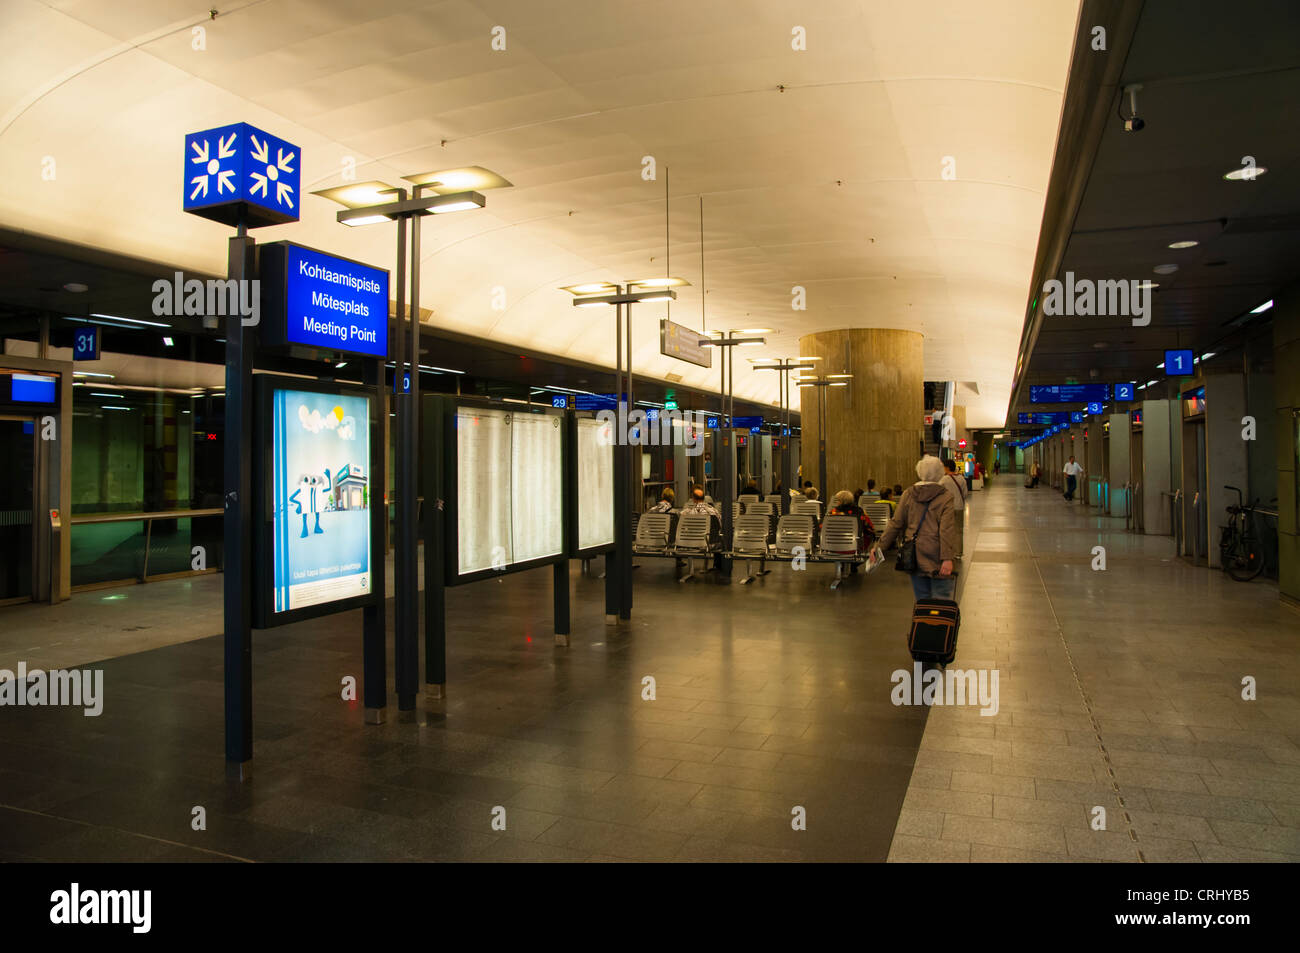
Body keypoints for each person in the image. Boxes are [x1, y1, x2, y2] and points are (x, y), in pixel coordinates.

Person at [875, 455, 957, 601]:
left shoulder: (909, 494)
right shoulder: (945, 497)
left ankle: (923, 623)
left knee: (922, 601)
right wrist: (947, 558)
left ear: (919, 471)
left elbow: (896, 523)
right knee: (942, 602)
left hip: (915, 554)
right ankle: (937, 623)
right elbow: (946, 530)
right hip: (937, 555)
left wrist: (879, 546)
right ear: (940, 473)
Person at [941, 457, 967, 559]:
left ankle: (948, 551)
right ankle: (958, 552)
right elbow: (965, 494)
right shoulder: (961, 479)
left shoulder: (943, 480)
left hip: (947, 508)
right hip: (959, 507)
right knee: (959, 530)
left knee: (946, 530)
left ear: (947, 468)